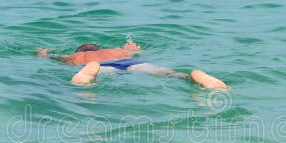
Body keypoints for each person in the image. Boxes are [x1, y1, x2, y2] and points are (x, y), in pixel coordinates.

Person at [36, 41, 229, 89]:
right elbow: (135, 50)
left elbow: (49, 57)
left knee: (95, 70)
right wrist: (131, 47)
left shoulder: (77, 56)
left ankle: (89, 73)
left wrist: (43, 53)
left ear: (80, 51)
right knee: (169, 74)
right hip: (133, 62)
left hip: (105, 66)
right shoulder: (116, 50)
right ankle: (192, 76)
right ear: (99, 47)